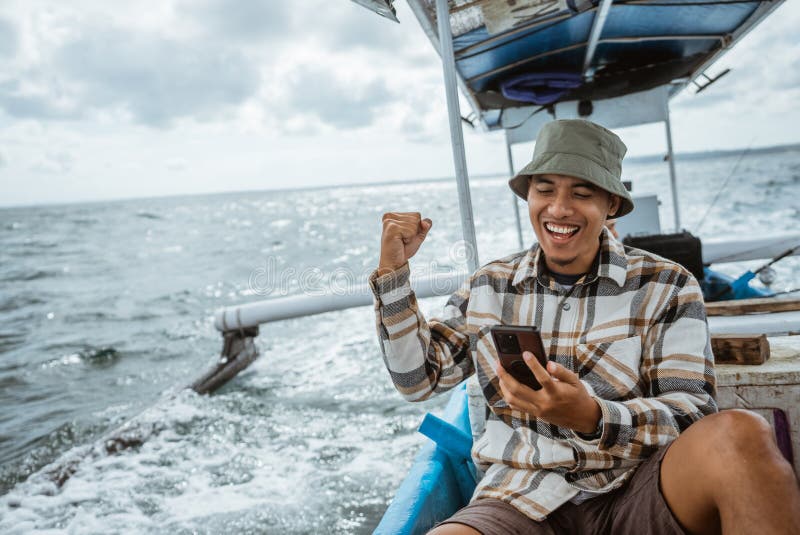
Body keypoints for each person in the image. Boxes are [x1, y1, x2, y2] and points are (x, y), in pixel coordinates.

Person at [369, 119, 800, 535]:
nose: (559, 208)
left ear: (611, 205)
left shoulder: (668, 285)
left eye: (582, 192)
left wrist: (593, 416)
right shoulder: (489, 285)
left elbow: (692, 415)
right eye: (545, 190)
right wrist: (393, 275)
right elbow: (417, 380)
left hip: (639, 488)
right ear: (529, 198)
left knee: (741, 434)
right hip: (519, 497)